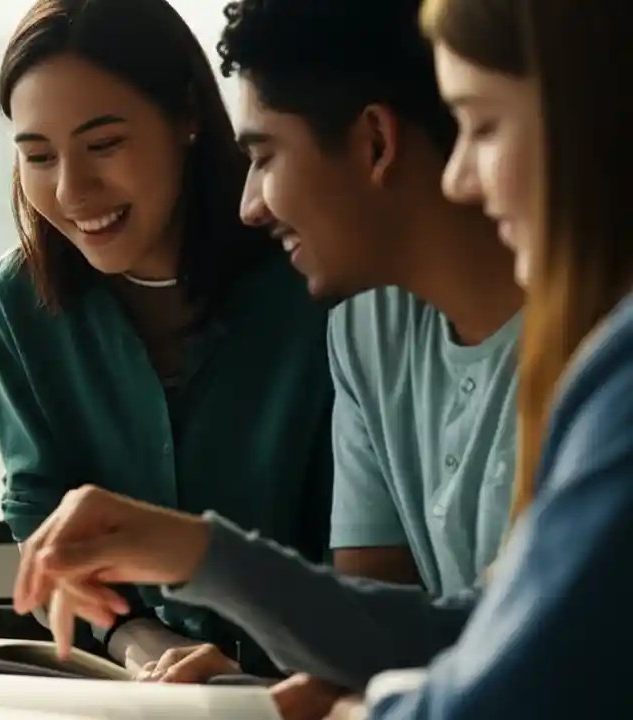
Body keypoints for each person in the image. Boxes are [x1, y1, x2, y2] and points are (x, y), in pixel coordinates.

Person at [16, 0, 633, 715]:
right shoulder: (364, 327)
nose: (463, 176)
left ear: (376, 141)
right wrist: (201, 559)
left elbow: (507, 681)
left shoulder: (606, 360)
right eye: (35, 154)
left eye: (485, 127)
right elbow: (445, 637)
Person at [137, 0, 524, 690]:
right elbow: (381, 644)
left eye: (265, 156)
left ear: (376, 142)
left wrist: (203, 555)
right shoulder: (363, 330)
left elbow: (520, 658)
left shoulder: (597, 344)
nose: (249, 205)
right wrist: (257, 698)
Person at [0, 0, 333, 674]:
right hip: (137, 682)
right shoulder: (21, 300)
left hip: (323, 680)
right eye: (37, 155)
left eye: (104, 145)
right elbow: (40, 513)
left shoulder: (310, 277)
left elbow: (367, 557)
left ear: (188, 119)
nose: (72, 189)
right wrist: (142, 641)